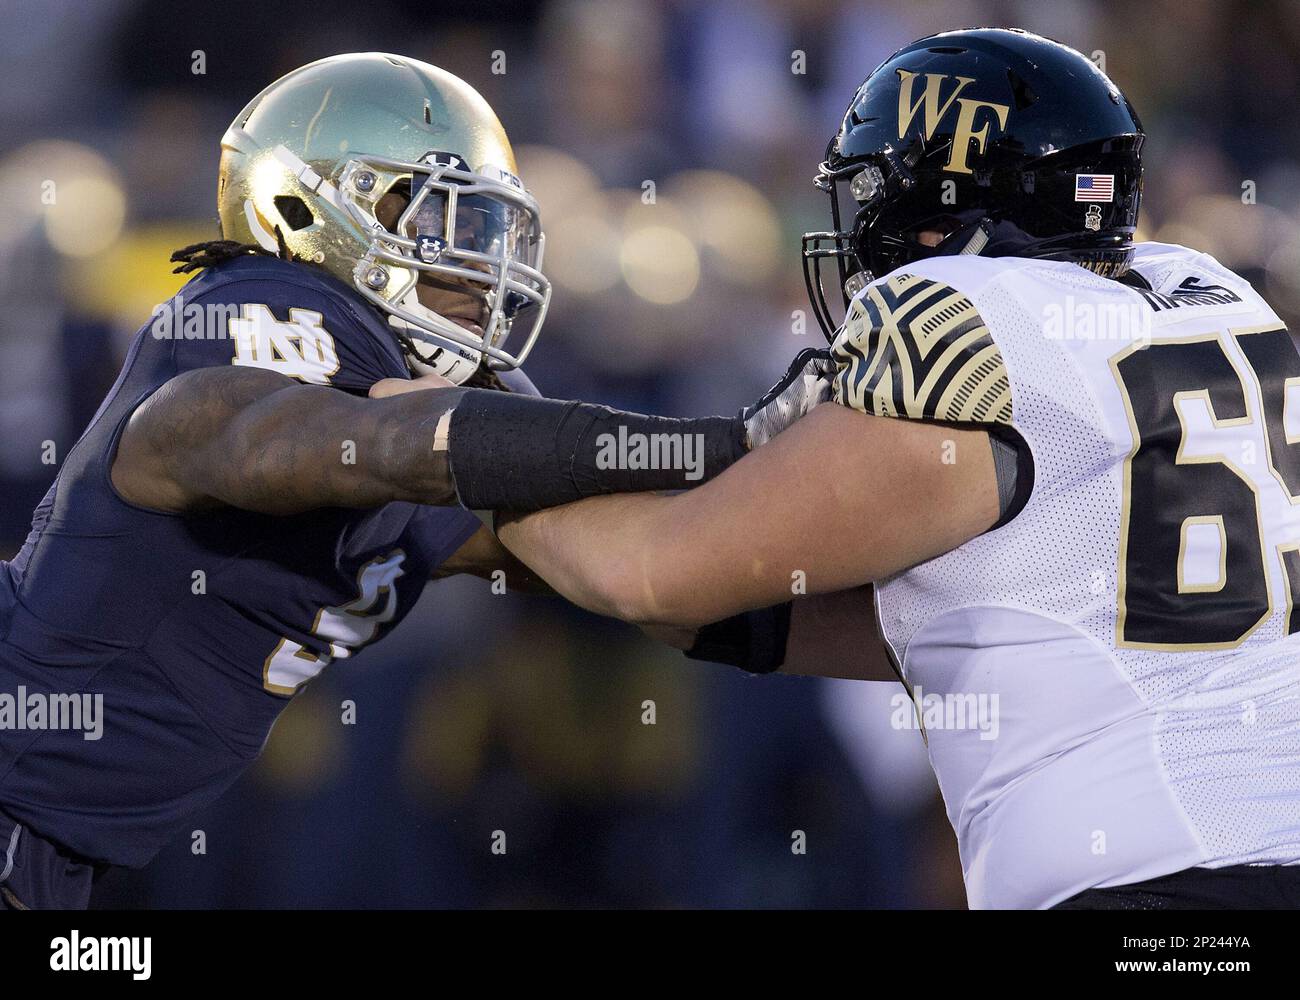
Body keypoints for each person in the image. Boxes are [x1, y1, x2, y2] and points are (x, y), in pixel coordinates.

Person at [436, 28, 1300, 909]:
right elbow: (949, 619)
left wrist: (444, 458)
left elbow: (657, 570)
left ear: (945, 213)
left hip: (1148, 892)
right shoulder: (1212, 297)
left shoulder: (972, 314)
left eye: (875, 200)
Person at [0, 52, 827, 910]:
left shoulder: (420, 401)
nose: (481, 264)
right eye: (448, 223)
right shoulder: (253, 308)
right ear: (315, 207)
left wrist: (903, 620)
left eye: (489, 232)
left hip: (51, 852)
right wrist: (724, 443)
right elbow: (371, 441)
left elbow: (635, 571)